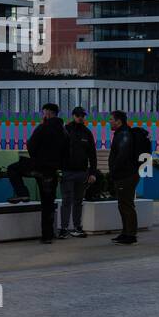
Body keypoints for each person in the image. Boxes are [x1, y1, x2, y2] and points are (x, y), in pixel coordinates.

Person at [24, 103, 68, 243]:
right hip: (53, 171)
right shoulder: (63, 131)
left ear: (48, 113)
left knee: (45, 203)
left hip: (41, 168)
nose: (43, 116)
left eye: (44, 113)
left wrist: (37, 160)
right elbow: (67, 151)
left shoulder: (43, 128)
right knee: (49, 202)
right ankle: (48, 235)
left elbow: (31, 145)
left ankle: (46, 235)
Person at [107, 110, 146, 245]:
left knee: (127, 205)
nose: (109, 122)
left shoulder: (124, 134)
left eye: (111, 119)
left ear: (119, 121)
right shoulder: (122, 133)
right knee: (123, 204)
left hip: (126, 175)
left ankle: (130, 235)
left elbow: (122, 156)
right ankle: (126, 232)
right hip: (125, 174)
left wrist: (113, 171)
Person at [59, 107, 96, 238]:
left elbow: (92, 155)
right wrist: (59, 169)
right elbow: (59, 151)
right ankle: (63, 228)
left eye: (82, 115)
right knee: (66, 200)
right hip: (67, 171)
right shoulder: (66, 130)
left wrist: (93, 172)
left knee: (78, 201)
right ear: (73, 116)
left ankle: (77, 227)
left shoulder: (87, 132)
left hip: (82, 172)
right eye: (78, 115)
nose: (80, 117)